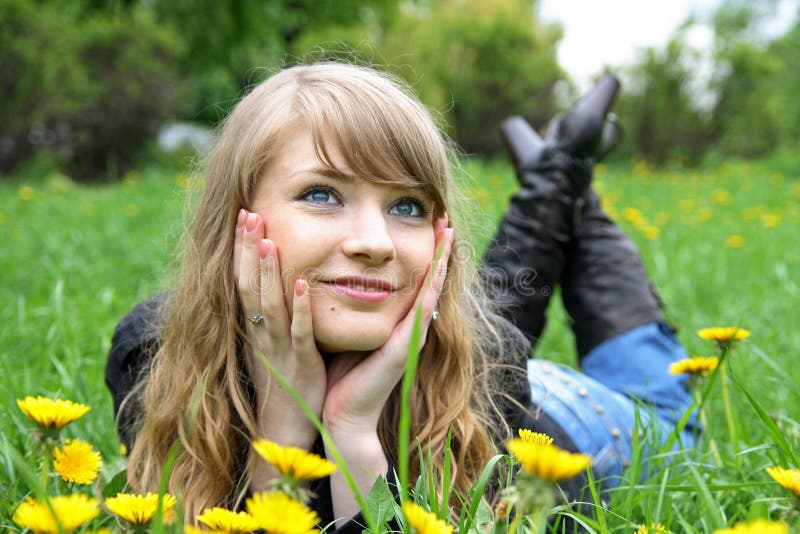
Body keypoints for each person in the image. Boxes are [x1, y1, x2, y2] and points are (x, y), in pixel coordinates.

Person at [106, 62, 695, 531]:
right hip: (470, 358)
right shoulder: (156, 355)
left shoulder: (489, 362)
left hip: (592, 418)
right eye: (321, 194)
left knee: (674, 419)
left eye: (407, 206)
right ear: (237, 215)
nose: (375, 242)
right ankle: (563, 170)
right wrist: (282, 427)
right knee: (486, 309)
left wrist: (353, 430)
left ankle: (564, 170)